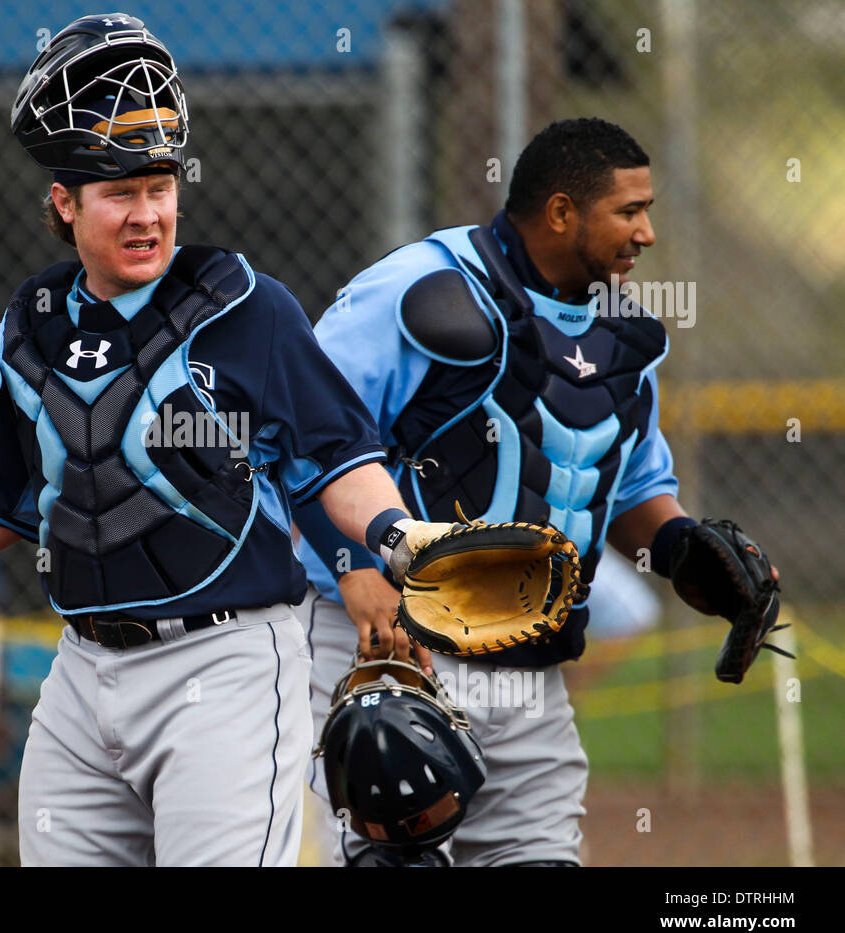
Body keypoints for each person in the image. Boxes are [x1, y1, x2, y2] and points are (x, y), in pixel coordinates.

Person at [0, 12, 454, 867]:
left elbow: (340, 460)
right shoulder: (31, 330)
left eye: (160, 188)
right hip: (80, 677)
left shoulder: (247, 311)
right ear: (64, 204)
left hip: (224, 664)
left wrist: (398, 538)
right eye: (118, 194)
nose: (146, 215)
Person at [293, 117, 777, 866]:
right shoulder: (422, 290)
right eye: (629, 210)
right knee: (397, 861)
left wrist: (683, 547)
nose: (646, 233)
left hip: (531, 661)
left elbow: (628, 488)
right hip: (395, 643)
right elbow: (302, 436)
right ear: (560, 213)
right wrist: (353, 569)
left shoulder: (623, 337)